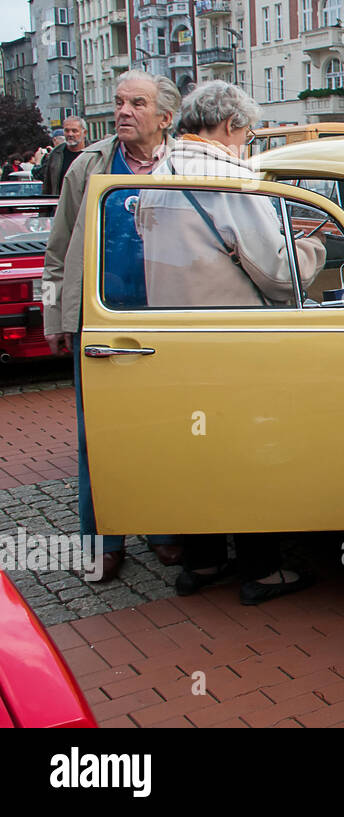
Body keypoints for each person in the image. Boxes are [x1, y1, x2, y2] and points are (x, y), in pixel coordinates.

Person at [140, 80, 325, 605]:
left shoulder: (159, 174)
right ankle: (263, 570)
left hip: (171, 336)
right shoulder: (230, 179)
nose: (246, 143)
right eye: (245, 132)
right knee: (246, 451)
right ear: (228, 127)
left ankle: (202, 562)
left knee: (195, 452)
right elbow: (278, 273)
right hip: (231, 340)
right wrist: (312, 248)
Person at [43, 71, 183, 583]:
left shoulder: (184, 164)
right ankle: (102, 540)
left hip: (169, 320)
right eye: (120, 102)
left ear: (165, 117)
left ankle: (165, 532)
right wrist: (53, 314)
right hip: (100, 321)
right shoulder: (88, 165)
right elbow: (56, 250)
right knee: (96, 436)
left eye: (138, 103)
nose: (124, 111)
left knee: (167, 432)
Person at [33, 115, 87, 198]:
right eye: (67, 131)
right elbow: (47, 184)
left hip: (86, 205)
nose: (70, 134)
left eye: (74, 131)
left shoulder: (94, 154)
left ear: (84, 133)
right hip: (59, 204)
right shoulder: (55, 154)